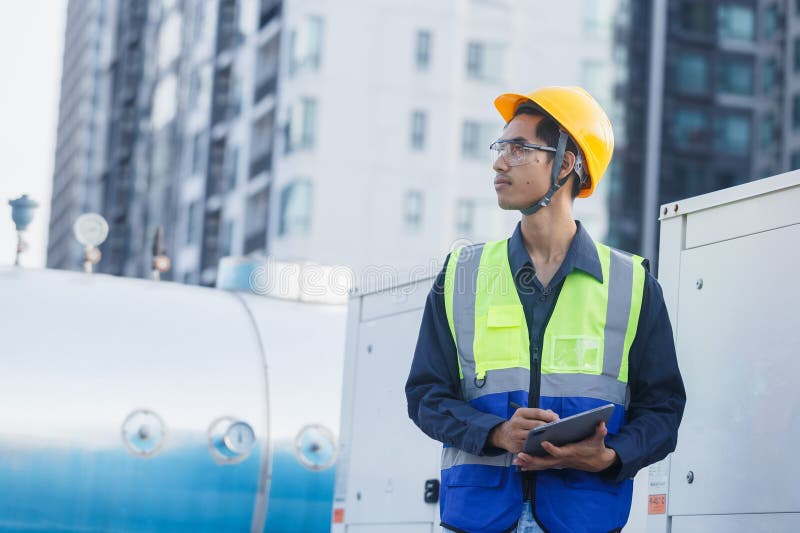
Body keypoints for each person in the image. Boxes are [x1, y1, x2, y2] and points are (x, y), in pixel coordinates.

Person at [405, 86, 686, 533]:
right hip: (478, 518)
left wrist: (611, 455)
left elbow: (664, 410)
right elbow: (425, 396)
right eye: (500, 147)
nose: (499, 162)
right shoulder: (462, 273)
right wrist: (496, 433)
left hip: (583, 516)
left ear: (566, 164)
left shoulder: (633, 285)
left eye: (519, 149)